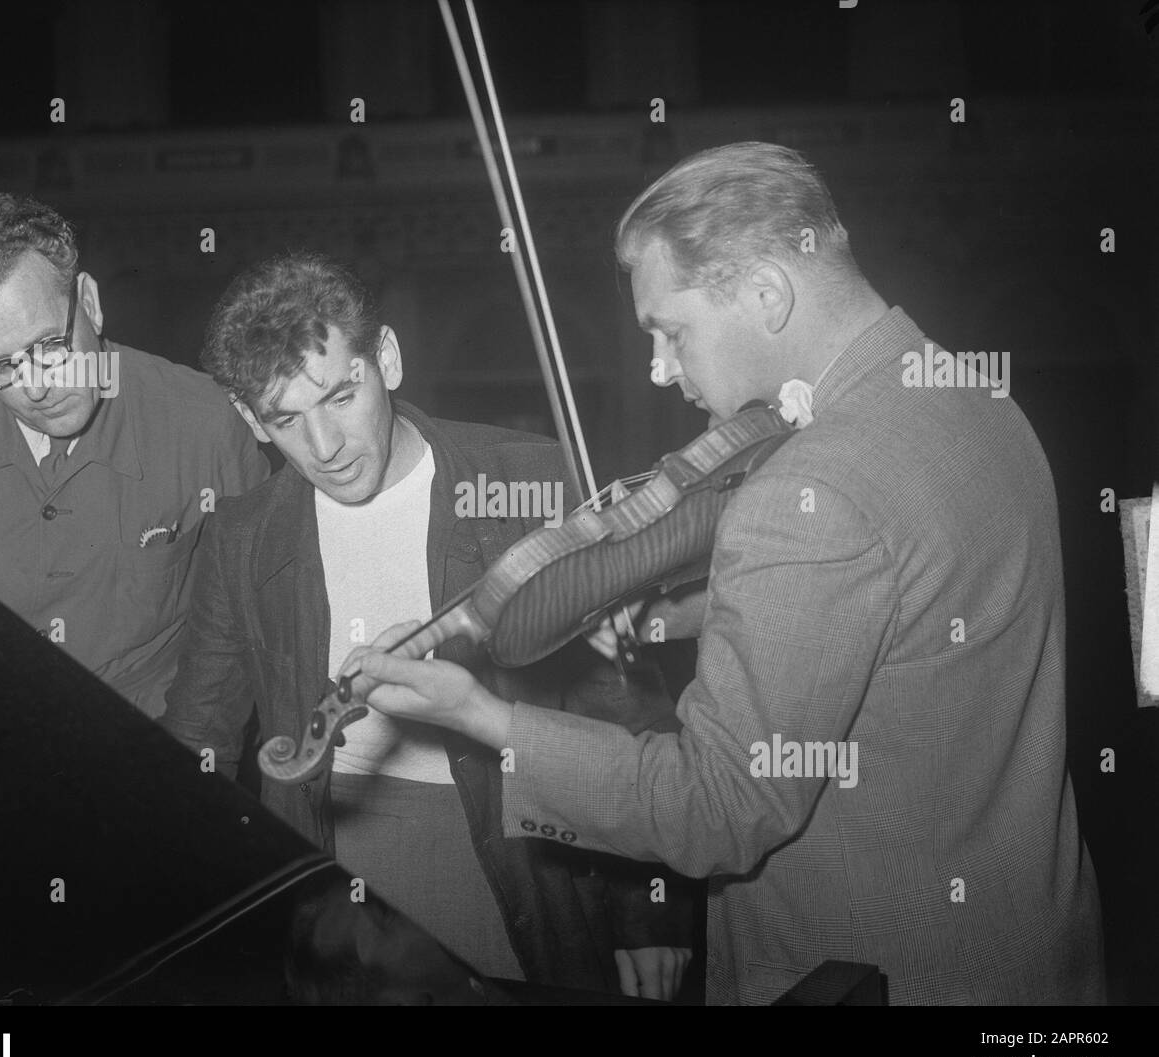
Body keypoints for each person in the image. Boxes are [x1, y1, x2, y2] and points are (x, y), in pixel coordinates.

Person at [343, 142, 1107, 1005]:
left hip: (870, 971)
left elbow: (720, 808)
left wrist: (485, 717)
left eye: (671, 332)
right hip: (1026, 958)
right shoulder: (976, 398)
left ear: (768, 294)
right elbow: (913, 609)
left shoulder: (806, 493)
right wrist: (688, 612)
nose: (660, 369)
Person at [160, 251, 692, 998]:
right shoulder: (244, 534)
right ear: (250, 418)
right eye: (285, 419)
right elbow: (197, 740)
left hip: (519, 862)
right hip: (332, 881)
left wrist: (649, 913)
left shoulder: (525, 480)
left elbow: (621, 707)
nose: (325, 447)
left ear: (386, 359)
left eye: (342, 397)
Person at [0, 192, 267, 719]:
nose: (36, 387)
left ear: (90, 303)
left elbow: (246, 627)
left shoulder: (208, 423)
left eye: (50, 346)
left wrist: (198, 759)